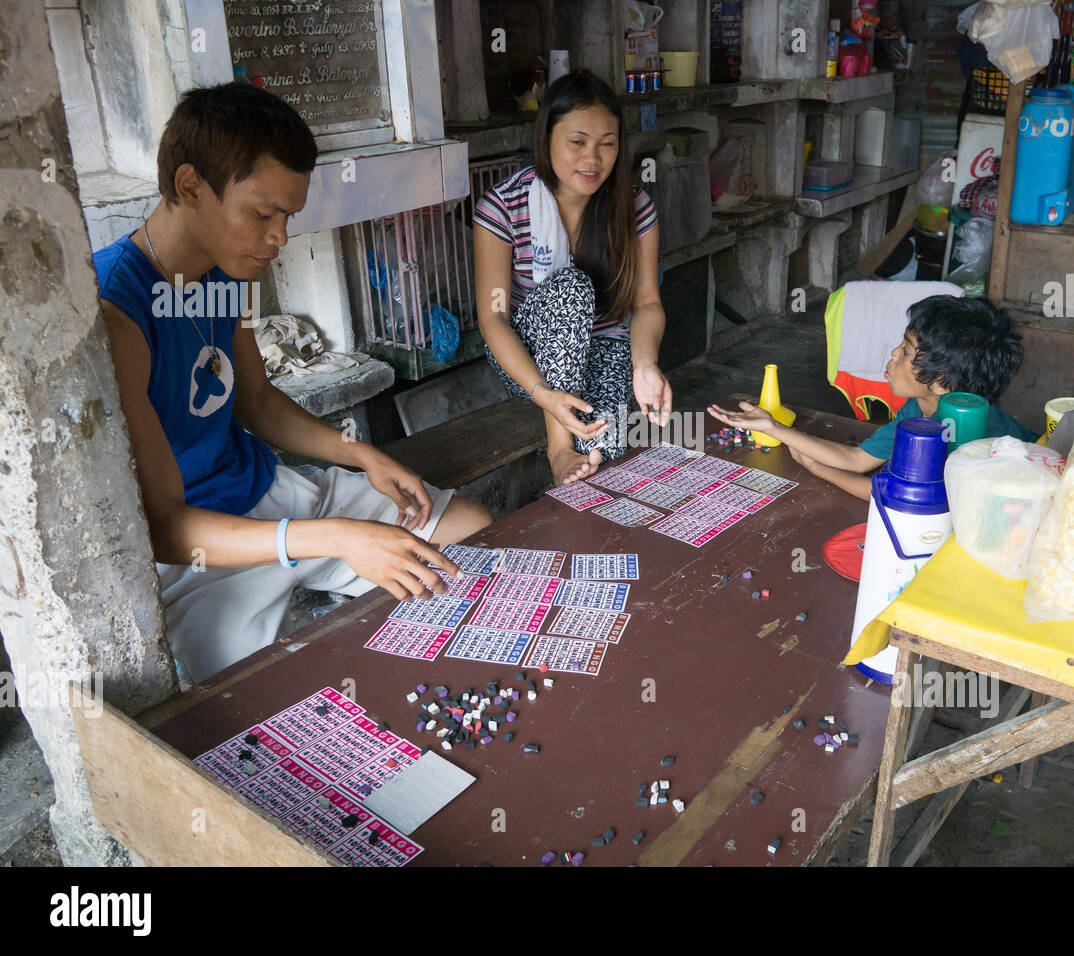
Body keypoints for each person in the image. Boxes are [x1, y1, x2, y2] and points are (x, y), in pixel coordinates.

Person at [95, 83, 493, 684]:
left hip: (263, 493)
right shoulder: (117, 309)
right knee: (253, 714)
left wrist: (359, 454)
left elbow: (255, 399)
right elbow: (165, 524)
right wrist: (337, 537)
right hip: (198, 552)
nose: (279, 237)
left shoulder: (224, 275)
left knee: (472, 539)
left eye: (287, 216)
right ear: (189, 186)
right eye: (262, 213)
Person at [473, 73, 673, 486]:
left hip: (604, 341)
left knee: (608, 445)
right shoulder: (504, 207)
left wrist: (645, 364)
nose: (593, 159)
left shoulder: (633, 206)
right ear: (547, 138)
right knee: (571, 289)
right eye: (578, 142)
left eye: (607, 143)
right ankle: (557, 446)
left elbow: (647, 303)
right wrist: (543, 394)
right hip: (526, 354)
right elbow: (493, 319)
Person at [708, 295, 1036, 500]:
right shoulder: (920, 408)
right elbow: (858, 460)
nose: (893, 353)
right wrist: (775, 427)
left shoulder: (963, 440)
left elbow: (898, 499)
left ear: (941, 381)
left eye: (906, 350)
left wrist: (820, 470)